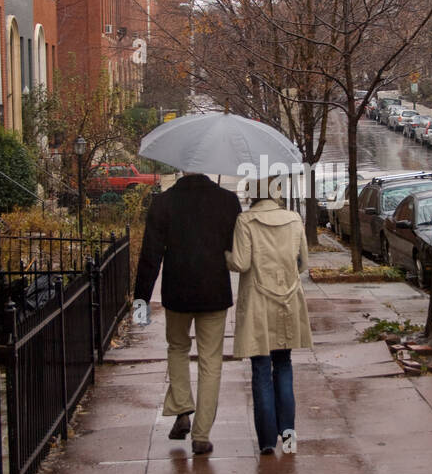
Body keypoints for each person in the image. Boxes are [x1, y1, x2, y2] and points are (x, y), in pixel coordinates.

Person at [134, 170, 241, 455]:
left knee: (178, 348)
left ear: (181, 169)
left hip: (177, 291)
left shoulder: (164, 202)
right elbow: (236, 248)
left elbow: (150, 254)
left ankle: (182, 408)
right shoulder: (228, 201)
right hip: (214, 291)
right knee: (211, 361)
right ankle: (201, 435)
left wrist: (140, 302)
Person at [225, 180, 313, 455]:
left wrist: (224, 253)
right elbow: (303, 264)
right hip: (287, 300)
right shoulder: (294, 219)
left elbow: (241, 263)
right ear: (277, 193)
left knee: (261, 368)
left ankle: (265, 442)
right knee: (284, 365)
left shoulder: (245, 221)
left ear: (252, 194)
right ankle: (288, 436)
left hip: (257, 303)